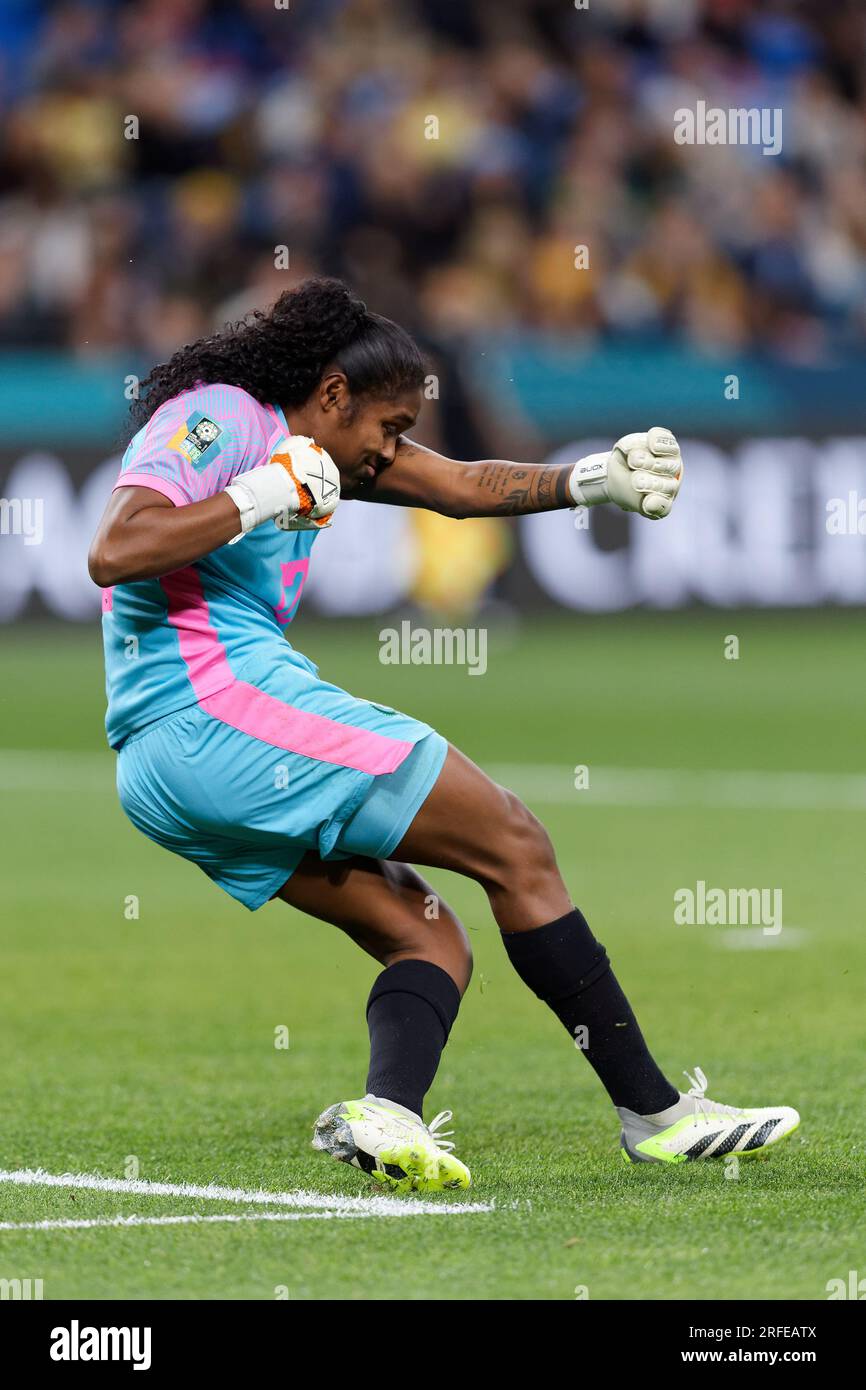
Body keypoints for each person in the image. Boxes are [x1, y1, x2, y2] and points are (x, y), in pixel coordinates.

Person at [88, 277, 798, 1191]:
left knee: (430, 936)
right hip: (215, 707)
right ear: (333, 394)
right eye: (387, 427)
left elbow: (460, 487)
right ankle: (655, 1115)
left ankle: (387, 1115)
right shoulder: (223, 415)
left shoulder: (323, 445)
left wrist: (593, 480)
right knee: (514, 841)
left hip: (165, 768)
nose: (392, 449)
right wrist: (262, 494)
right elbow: (114, 548)